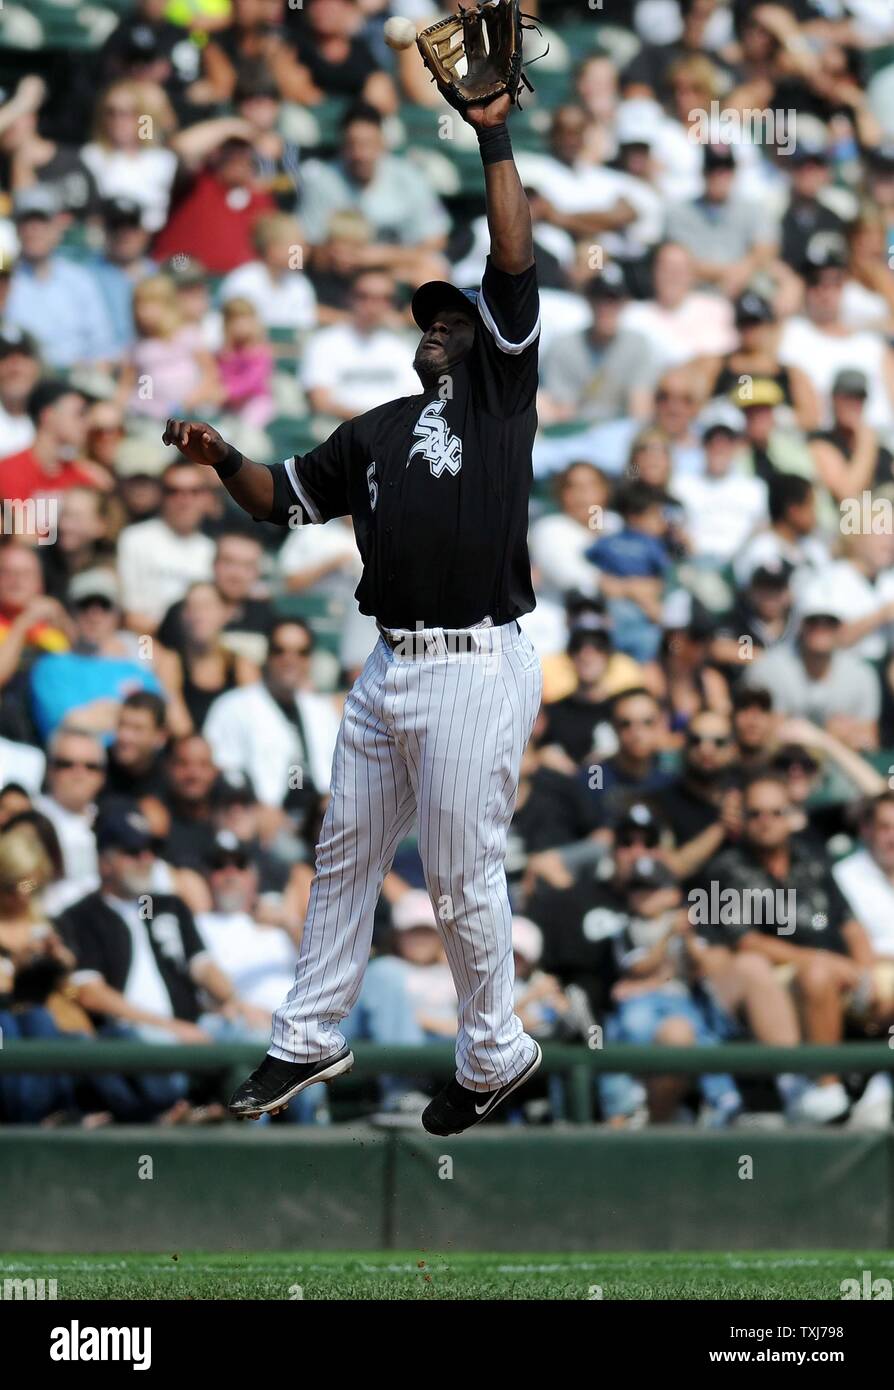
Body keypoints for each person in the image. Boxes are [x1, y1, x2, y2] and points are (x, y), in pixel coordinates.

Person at [163, 90, 547, 1137]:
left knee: (462, 875)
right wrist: (224, 458)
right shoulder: (372, 431)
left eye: (453, 317)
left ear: (483, 339)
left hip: (476, 659)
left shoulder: (500, 400)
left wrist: (493, 135)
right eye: (428, 317)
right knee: (346, 854)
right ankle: (307, 1034)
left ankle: (497, 1049)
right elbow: (284, 500)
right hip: (392, 664)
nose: (438, 327)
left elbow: (514, 261)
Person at [116, 459, 216, 633]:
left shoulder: (212, 550)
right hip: (144, 643)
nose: (184, 500)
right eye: (174, 491)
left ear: (206, 498)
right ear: (160, 495)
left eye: (194, 492)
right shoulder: (134, 539)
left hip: (194, 648)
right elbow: (129, 613)